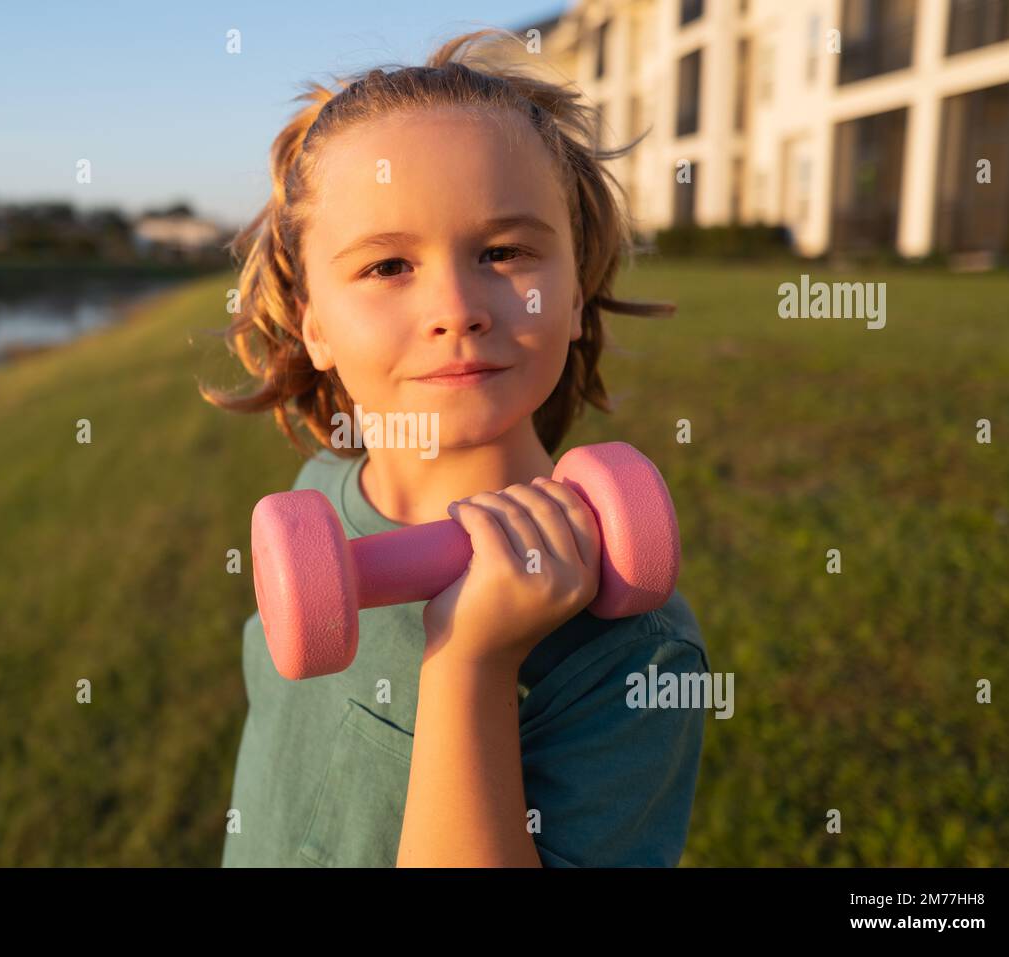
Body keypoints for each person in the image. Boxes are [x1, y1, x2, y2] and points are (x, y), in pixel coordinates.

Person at [201, 28, 710, 867]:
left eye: (502, 252)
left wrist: (471, 662)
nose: (455, 307)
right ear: (313, 324)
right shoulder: (318, 494)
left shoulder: (632, 650)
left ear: (576, 295)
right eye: (389, 265)